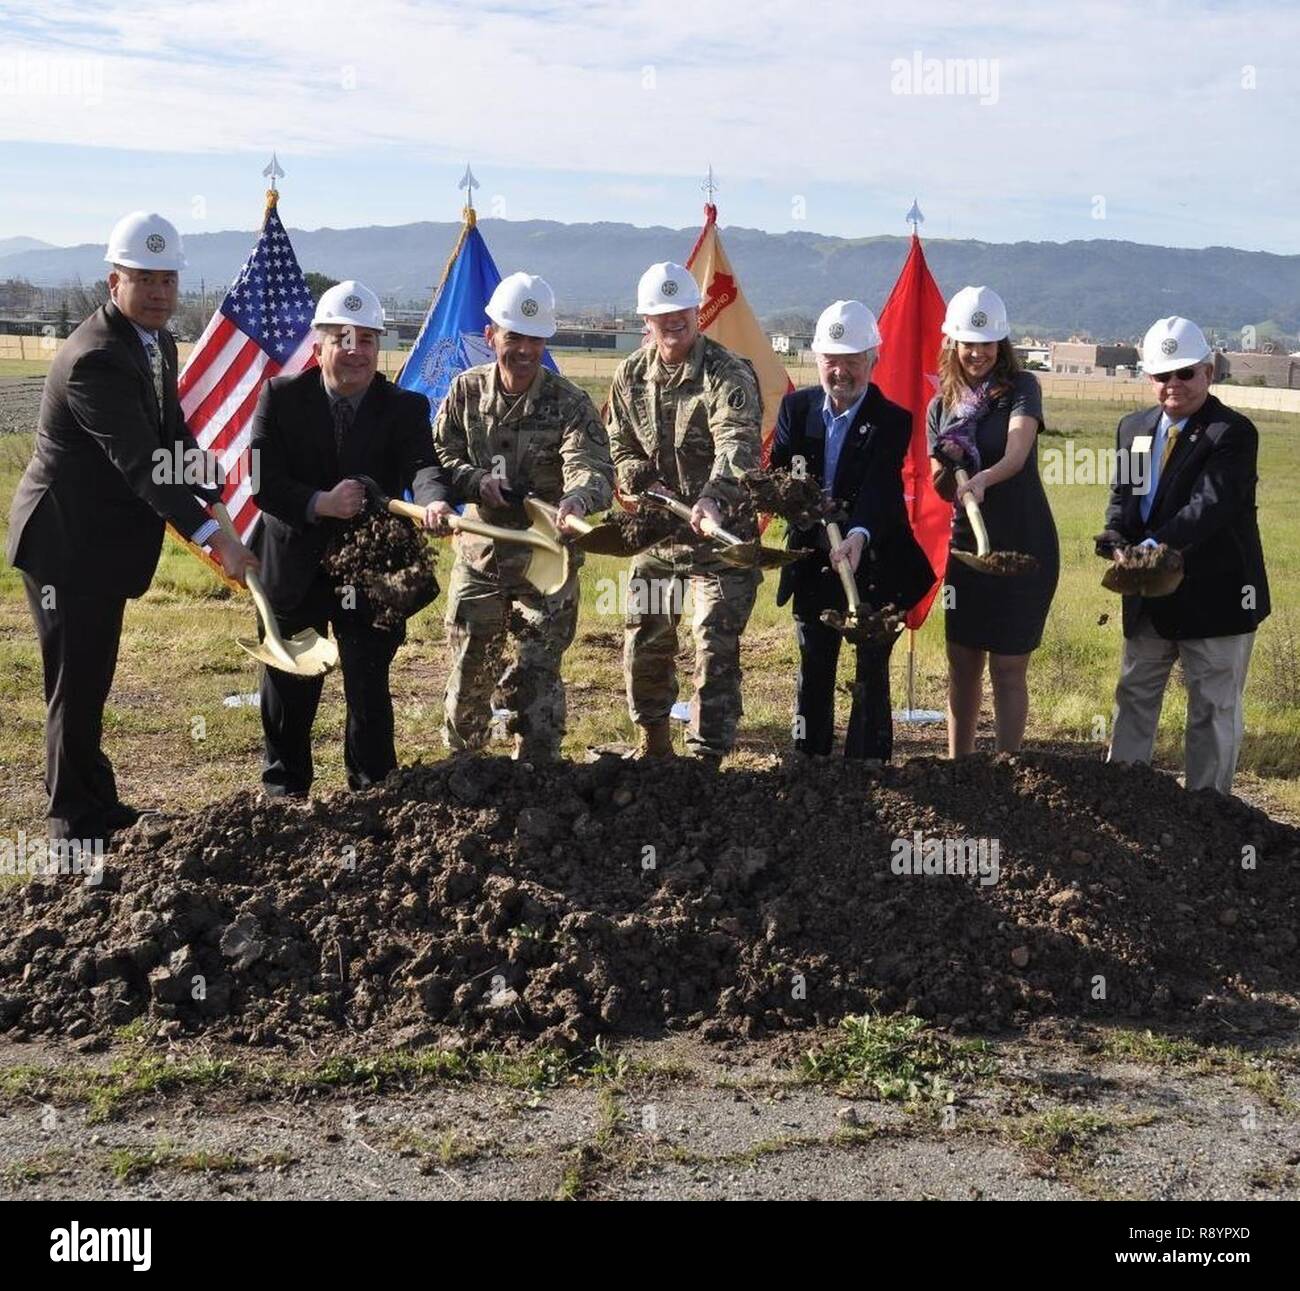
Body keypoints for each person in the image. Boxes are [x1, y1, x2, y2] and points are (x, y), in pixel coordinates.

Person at [7, 211, 257, 843]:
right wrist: (213, 537)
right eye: (143, 278)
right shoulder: (96, 356)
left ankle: (99, 802)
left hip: (102, 546)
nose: (158, 292)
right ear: (114, 280)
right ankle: (71, 822)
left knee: (93, 673)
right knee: (75, 679)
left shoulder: (155, 345)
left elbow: (170, 436)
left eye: (167, 280)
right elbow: (143, 464)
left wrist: (216, 477)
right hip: (65, 543)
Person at [249, 279, 453, 796]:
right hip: (295, 563)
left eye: (366, 339)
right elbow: (263, 483)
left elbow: (422, 465)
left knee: (368, 681)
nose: (355, 350)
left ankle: (374, 790)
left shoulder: (403, 406)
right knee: (291, 681)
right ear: (318, 344)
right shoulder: (280, 396)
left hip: (371, 568)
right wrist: (320, 503)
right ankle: (285, 789)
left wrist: (434, 500)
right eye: (342, 337)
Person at [433, 272, 613, 761]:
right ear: (492, 335)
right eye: (514, 337)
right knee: (472, 669)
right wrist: (476, 482)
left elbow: (593, 467)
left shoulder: (571, 404)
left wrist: (576, 500)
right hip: (481, 556)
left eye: (535, 339)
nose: (525, 350)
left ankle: (539, 774)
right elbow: (440, 455)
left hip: (546, 562)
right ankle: (463, 770)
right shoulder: (465, 392)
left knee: (537, 673)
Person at [1100, 316, 1270, 793]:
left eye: (1185, 373)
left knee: (1212, 710)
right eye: (1162, 375)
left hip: (1216, 596)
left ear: (1208, 372)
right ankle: (1126, 802)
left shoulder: (1232, 433)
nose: (1173, 385)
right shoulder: (1133, 429)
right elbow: (1126, 497)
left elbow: (1210, 506)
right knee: (1134, 696)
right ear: (1148, 378)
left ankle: (1209, 815)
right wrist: (1115, 537)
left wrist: (1153, 546)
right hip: (1147, 597)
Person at [607, 261, 762, 761]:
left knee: (714, 645)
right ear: (644, 322)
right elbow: (621, 444)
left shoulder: (727, 371)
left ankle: (706, 758)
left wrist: (713, 497)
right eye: (660, 315)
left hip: (720, 538)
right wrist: (638, 479)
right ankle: (654, 744)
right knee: (646, 638)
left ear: (697, 313)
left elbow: (737, 444)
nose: (672, 322)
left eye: (681, 312)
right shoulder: (630, 374)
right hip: (660, 538)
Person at [771, 300, 935, 761]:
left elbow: (881, 488)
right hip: (811, 561)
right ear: (817, 359)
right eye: (831, 360)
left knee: (871, 670)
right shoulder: (795, 410)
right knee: (814, 665)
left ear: (872, 359)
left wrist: (858, 534)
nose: (840, 371)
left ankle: (869, 769)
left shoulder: (892, 420)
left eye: (851, 360)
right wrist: (806, 516)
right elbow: (780, 477)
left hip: (876, 562)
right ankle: (808, 762)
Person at [927, 285, 1059, 756]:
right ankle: (958, 765)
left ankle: (1008, 768)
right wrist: (946, 465)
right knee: (962, 662)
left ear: (1001, 345)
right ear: (953, 345)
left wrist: (982, 476)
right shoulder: (940, 406)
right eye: (969, 343)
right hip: (968, 549)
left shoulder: (1022, 390)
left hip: (1023, 541)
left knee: (1008, 664)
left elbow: (1018, 453)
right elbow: (941, 487)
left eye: (987, 344)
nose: (978, 353)